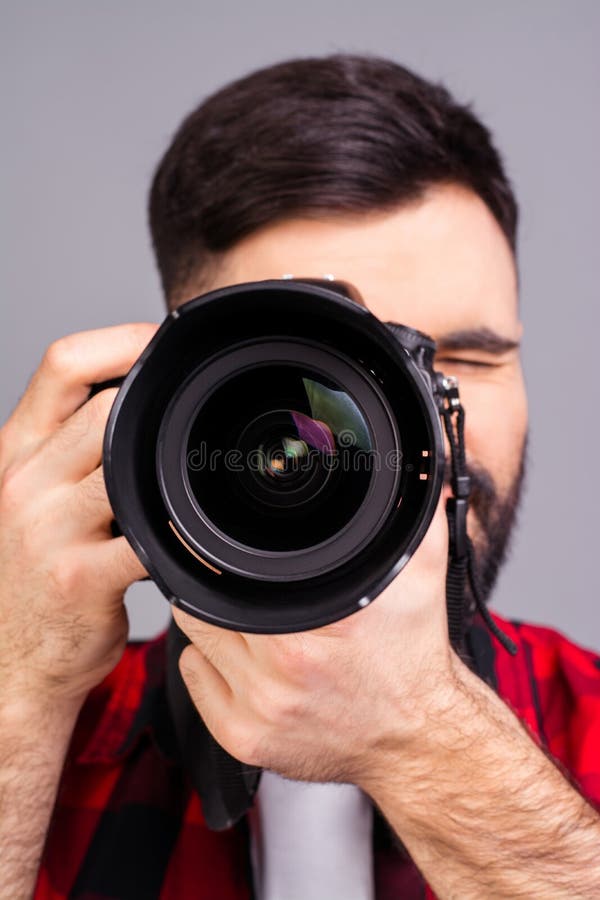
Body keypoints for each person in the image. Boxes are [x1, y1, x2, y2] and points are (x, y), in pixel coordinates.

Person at [1, 54, 600, 900]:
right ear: (169, 389)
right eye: (325, 370)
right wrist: (17, 691)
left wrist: (424, 744)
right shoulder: (46, 723)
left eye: (464, 361)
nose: (415, 431)